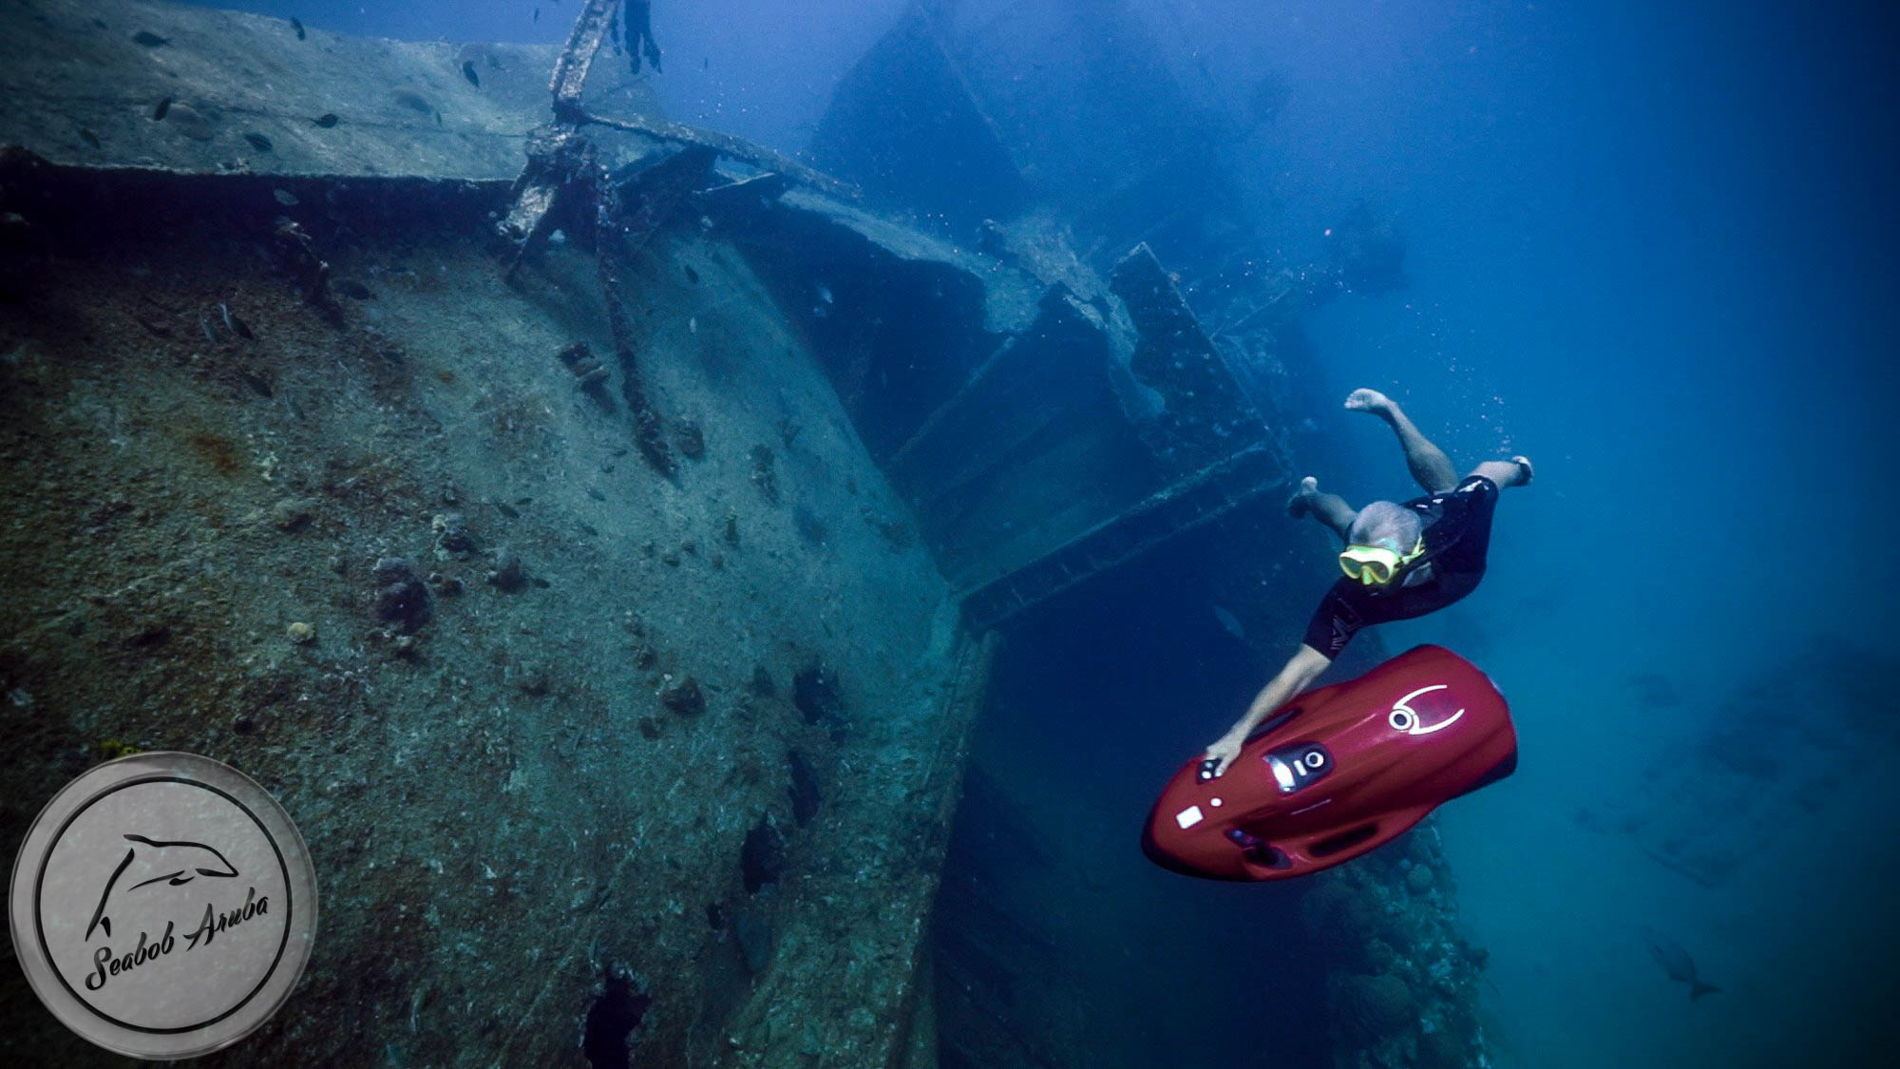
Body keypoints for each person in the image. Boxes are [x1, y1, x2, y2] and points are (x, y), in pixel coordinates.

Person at [1200, 388, 1533, 778]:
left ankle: (1391, 411)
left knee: (1456, 486)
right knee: (1343, 519)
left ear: (1412, 559)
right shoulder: (1354, 588)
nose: (1364, 582)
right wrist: (1238, 733)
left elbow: (1491, 470)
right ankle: (1308, 496)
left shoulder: (1457, 523)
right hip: (1389, 530)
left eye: (1375, 569)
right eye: (1353, 564)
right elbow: (1300, 669)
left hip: (1458, 572)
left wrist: (1518, 470)